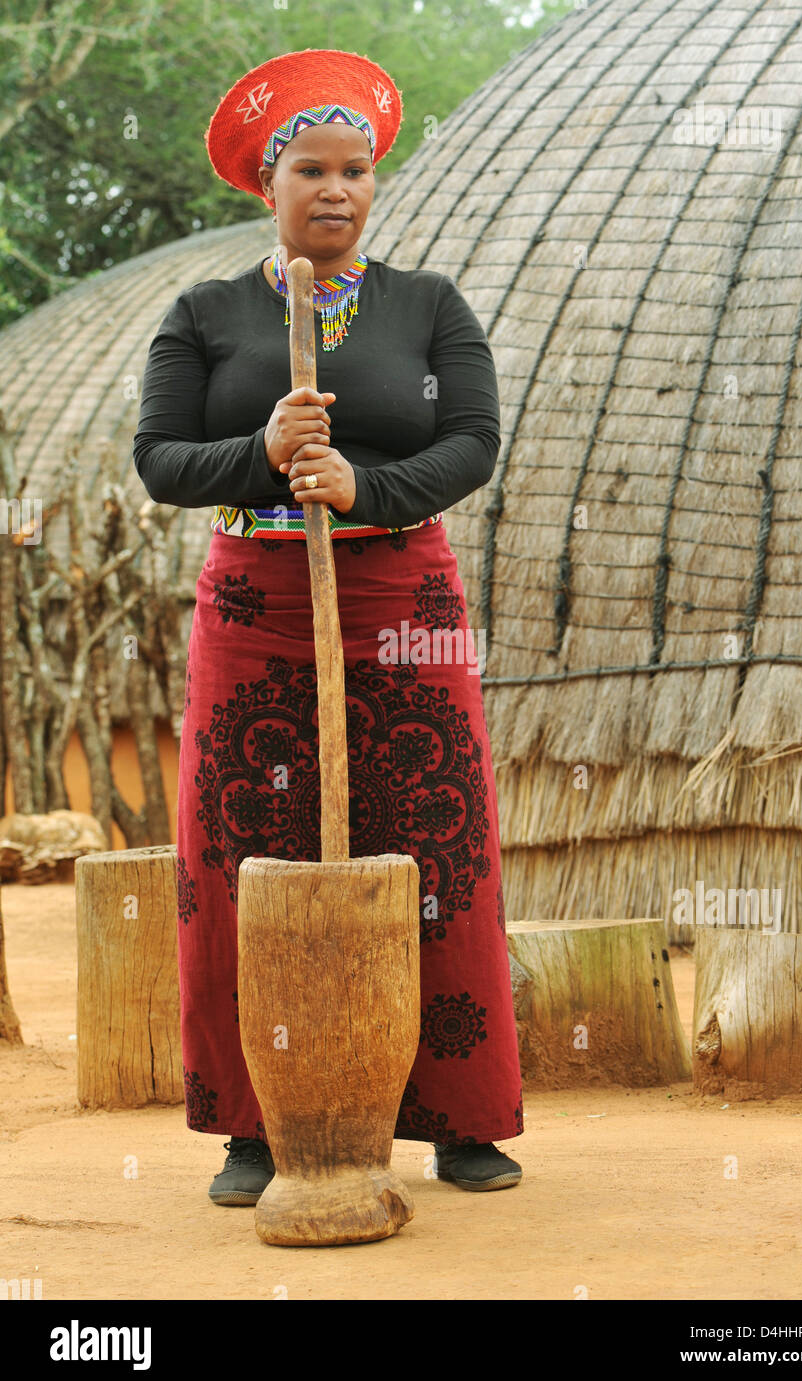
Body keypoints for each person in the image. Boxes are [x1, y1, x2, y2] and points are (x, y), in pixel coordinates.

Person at [133, 47, 524, 1204]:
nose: (338, 190)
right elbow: (158, 460)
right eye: (312, 170)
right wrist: (260, 454)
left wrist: (362, 488)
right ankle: (255, 1126)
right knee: (243, 853)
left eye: (356, 170)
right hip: (256, 605)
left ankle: (462, 1119)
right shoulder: (204, 315)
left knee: (437, 845)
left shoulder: (429, 307)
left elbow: (473, 443)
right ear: (270, 183)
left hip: (406, 598)